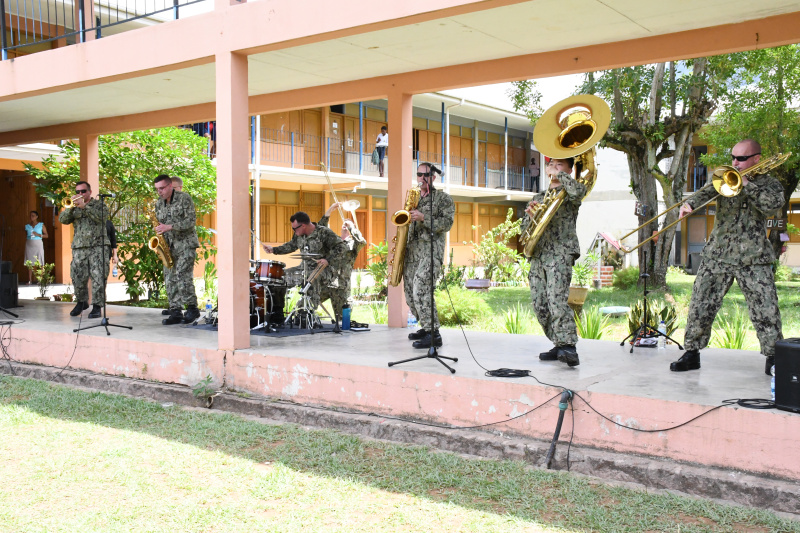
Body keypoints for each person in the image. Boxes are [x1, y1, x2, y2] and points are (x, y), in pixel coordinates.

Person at [671, 139, 785, 374]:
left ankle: (774, 358)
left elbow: (772, 206)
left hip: (753, 257)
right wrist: (689, 205)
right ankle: (692, 353)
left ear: (756, 159)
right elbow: (703, 193)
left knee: (766, 309)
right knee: (700, 304)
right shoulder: (725, 176)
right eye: (733, 157)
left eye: (741, 159)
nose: (735, 162)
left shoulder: (770, 184)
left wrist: (747, 185)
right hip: (718, 254)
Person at [522, 156, 586, 367]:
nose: (554, 168)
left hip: (560, 252)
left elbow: (579, 192)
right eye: (551, 165)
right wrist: (530, 218)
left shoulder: (570, 193)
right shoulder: (539, 197)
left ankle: (569, 346)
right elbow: (524, 232)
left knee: (556, 299)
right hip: (539, 254)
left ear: (568, 169)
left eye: (560, 165)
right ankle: (558, 343)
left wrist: (563, 177)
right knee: (540, 304)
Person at [262, 211, 346, 324]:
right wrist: (274, 250)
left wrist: (328, 260)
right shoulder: (299, 234)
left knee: (311, 278)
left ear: (303, 225)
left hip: (324, 270)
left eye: (295, 228)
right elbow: (291, 245)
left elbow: (342, 247)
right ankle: (276, 315)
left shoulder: (324, 233)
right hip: (303, 268)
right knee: (278, 277)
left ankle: (306, 314)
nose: (294, 231)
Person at [404, 163, 455, 349]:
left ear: (433, 177)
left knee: (421, 288)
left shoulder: (443, 199)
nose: (421, 178)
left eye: (425, 175)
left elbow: (447, 223)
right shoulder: (414, 198)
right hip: (412, 251)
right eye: (419, 174)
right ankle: (425, 328)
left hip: (430, 250)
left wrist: (424, 217)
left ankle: (434, 334)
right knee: (410, 292)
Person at [153, 174, 201, 325]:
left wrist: (170, 227)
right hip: (169, 245)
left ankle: (192, 308)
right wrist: (160, 230)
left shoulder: (184, 198)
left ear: (169, 186)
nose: (159, 192)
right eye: (157, 189)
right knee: (169, 278)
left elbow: (191, 221)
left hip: (185, 244)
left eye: (161, 188)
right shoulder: (159, 204)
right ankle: (176, 311)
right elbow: (160, 223)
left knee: (182, 275)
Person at [58, 181, 110, 319]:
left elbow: (102, 218)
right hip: (79, 248)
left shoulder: (99, 204)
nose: (80, 194)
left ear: (90, 192)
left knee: (98, 277)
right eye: (78, 192)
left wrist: (85, 207)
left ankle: (97, 307)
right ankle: (81, 302)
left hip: (98, 247)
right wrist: (70, 208)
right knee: (77, 276)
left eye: (83, 191)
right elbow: (62, 220)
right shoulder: (74, 207)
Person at [317, 203, 367, 328]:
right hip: (326, 282)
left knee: (342, 322)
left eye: (348, 224)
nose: (345, 225)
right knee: (306, 302)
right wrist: (329, 211)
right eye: (345, 223)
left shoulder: (353, 244)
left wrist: (352, 228)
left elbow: (362, 241)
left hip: (341, 286)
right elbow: (320, 231)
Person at [24, 210, 48, 284]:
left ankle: (41, 279)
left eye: (33, 216)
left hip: (38, 244)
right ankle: (30, 280)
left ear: (37, 217)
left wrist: (38, 235)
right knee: (30, 262)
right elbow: (25, 235)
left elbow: (46, 235)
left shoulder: (41, 225)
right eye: (30, 216)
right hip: (29, 244)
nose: (31, 217)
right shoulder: (27, 226)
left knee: (40, 260)